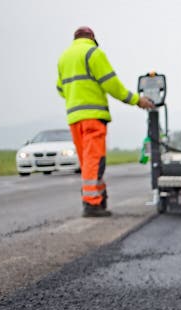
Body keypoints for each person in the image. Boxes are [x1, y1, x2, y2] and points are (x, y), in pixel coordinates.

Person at [56, 27, 154, 217]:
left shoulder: (64, 57)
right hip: (93, 116)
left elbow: (60, 89)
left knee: (87, 162)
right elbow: (111, 84)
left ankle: (98, 199)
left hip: (74, 118)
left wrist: (76, 94)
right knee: (95, 159)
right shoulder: (93, 53)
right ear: (92, 37)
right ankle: (92, 203)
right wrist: (136, 100)